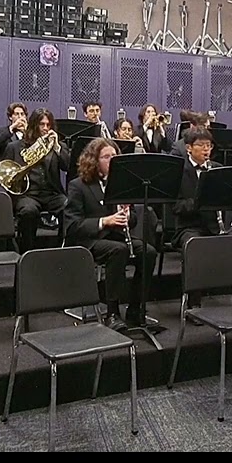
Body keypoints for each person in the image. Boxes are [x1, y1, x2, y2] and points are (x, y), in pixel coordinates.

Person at [64, 138, 158, 331]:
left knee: (148, 252)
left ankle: (135, 309)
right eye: (106, 157)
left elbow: (131, 222)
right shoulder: (78, 186)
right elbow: (72, 225)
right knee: (118, 251)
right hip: (89, 240)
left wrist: (128, 214)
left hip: (116, 237)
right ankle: (112, 313)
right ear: (94, 160)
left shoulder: (121, 184)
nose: (112, 160)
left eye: (115, 156)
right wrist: (104, 221)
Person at [172, 127, 232, 303]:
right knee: (195, 245)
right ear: (188, 148)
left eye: (209, 146)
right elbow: (175, 206)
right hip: (190, 226)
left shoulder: (217, 169)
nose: (206, 150)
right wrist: (199, 202)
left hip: (216, 226)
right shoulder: (179, 171)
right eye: (201, 146)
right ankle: (193, 303)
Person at [3, 108, 70, 253]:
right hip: (28, 194)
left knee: (69, 208)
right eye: (42, 124)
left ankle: (61, 250)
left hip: (51, 193)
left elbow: (67, 167)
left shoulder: (58, 145)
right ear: (34, 125)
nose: (45, 128)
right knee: (29, 212)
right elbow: (6, 174)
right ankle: (27, 252)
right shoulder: (15, 147)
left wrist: (57, 147)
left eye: (48, 125)